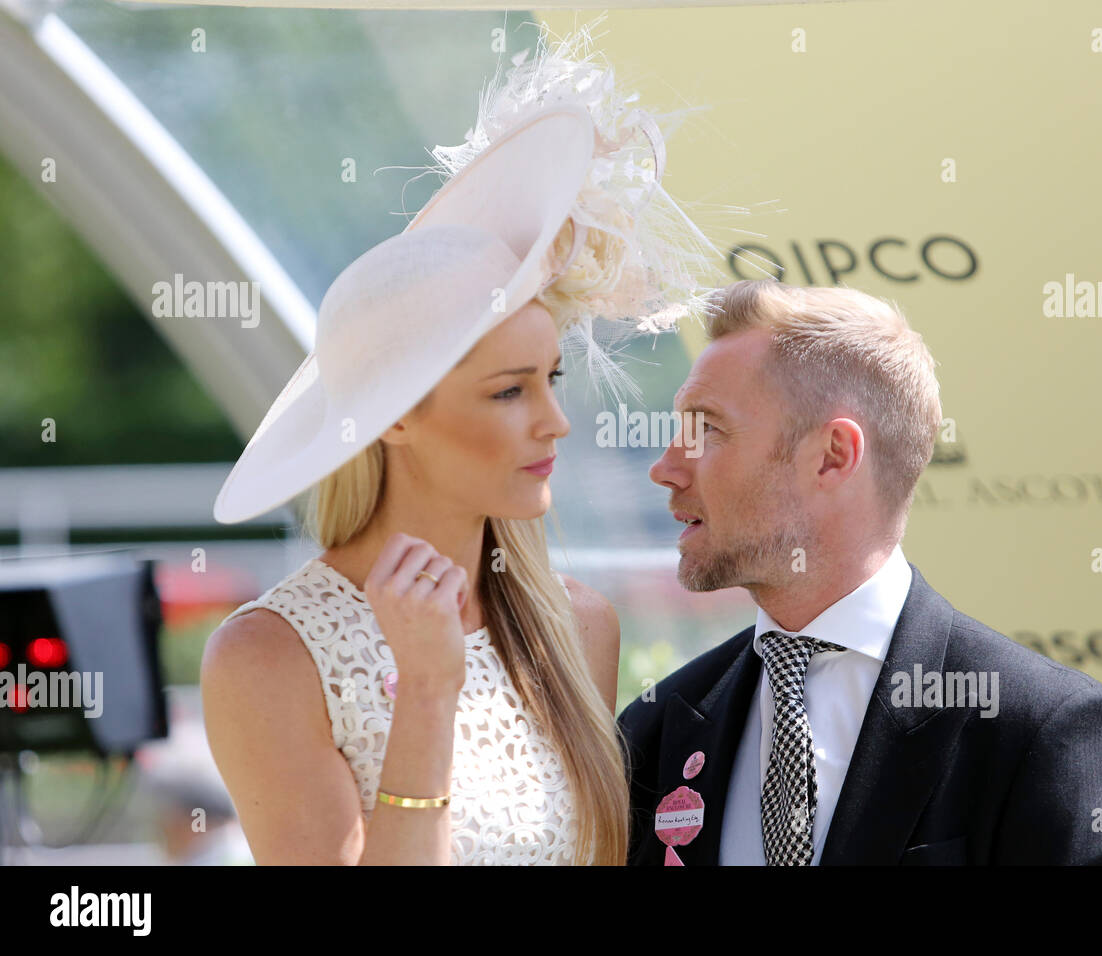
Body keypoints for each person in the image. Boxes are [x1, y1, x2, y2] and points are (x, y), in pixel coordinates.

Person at [200, 28, 722, 865]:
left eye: (552, 379)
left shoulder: (579, 626)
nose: (554, 421)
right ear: (394, 417)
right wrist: (428, 688)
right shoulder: (268, 656)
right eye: (509, 391)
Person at [619, 279, 1102, 865]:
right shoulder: (658, 727)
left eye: (707, 429)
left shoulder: (1040, 728)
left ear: (832, 456)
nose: (665, 467)